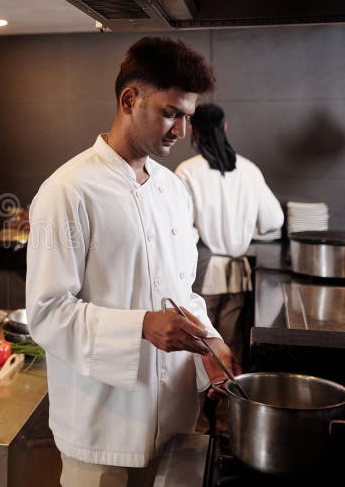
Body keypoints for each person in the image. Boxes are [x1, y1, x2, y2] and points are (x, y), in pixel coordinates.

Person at [26, 37, 239, 487]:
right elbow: (46, 313)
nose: (181, 131)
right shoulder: (68, 190)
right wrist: (141, 325)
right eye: (170, 113)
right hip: (102, 431)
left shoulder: (173, 190)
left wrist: (212, 341)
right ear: (129, 100)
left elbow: (184, 294)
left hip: (178, 420)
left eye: (187, 117)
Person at [175, 103, 283, 364]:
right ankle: (229, 401)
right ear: (225, 127)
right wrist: (246, 228)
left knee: (200, 343)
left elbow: (181, 231)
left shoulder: (187, 171)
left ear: (193, 130)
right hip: (238, 273)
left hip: (204, 270)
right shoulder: (249, 170)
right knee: (230, 342)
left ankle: (202, 403)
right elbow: (274, 220)